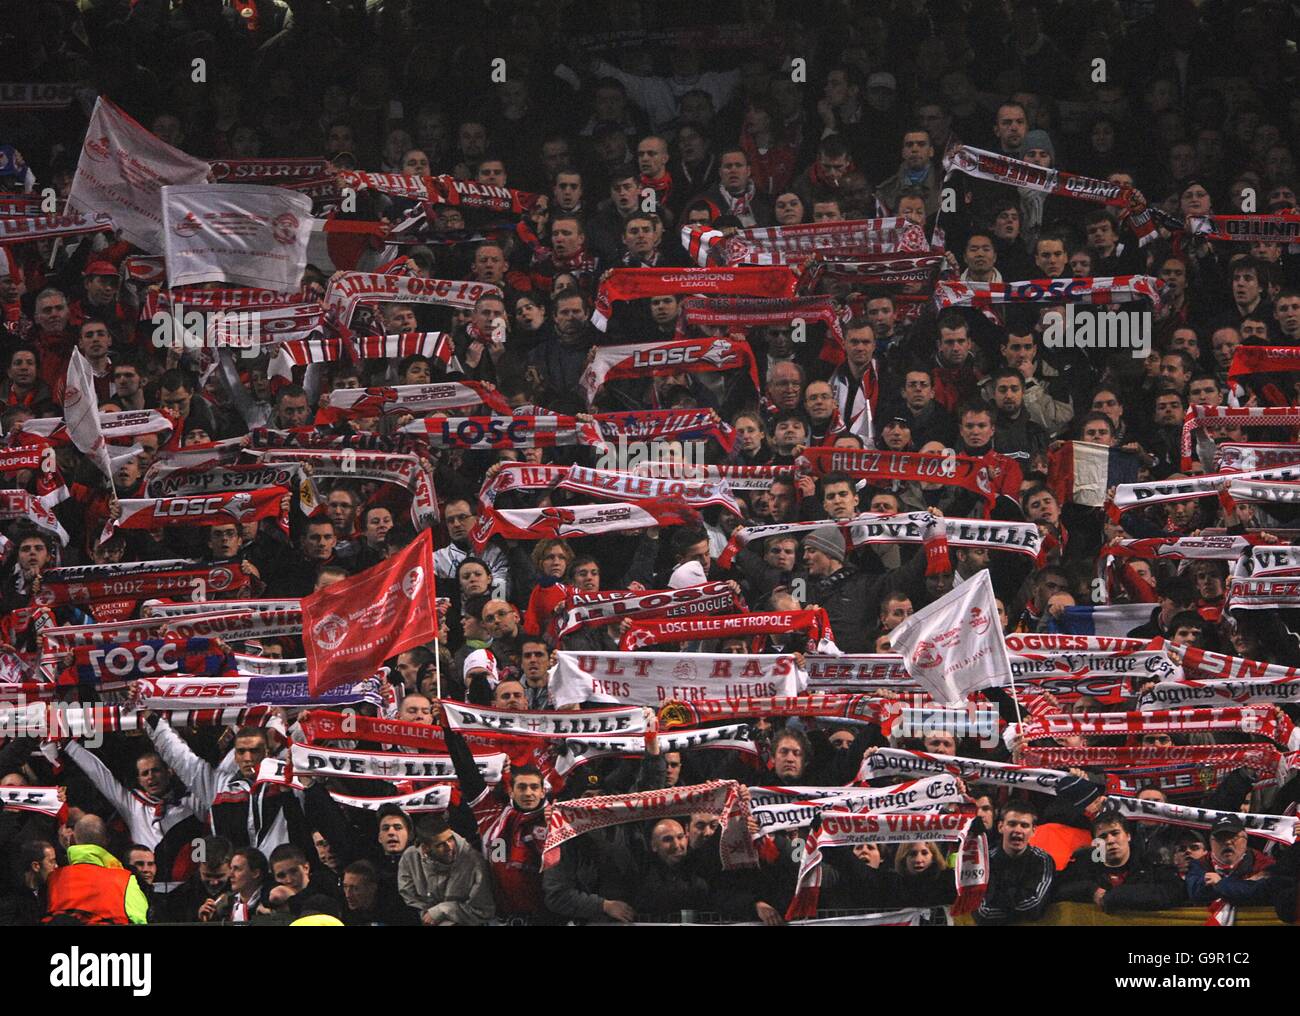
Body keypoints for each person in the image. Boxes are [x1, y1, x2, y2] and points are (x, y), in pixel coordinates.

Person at [44, 815, 148, 925]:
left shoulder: (52, 878)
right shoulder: (125, 880)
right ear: (106, 841)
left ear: (73, 839)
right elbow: (140, 919)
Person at [398, 814, 496, 926]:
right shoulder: (409, 858)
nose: (449, 846)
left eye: (450, 839)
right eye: (440, 844)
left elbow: (484, 911)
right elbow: (409, 898)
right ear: (425, 848)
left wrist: (443, 911)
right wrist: (428, 915)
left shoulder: (474, 862)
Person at [972, 802, 1054, 925]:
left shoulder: (1042, 860)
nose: (1018, 830)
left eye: (1024, 825)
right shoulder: (985, 860)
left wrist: (999, 897)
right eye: (1012, 824)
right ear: (1000, 827)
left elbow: (1033, 907)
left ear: (1033, 831)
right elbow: (983, 913)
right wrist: (1016, 896)